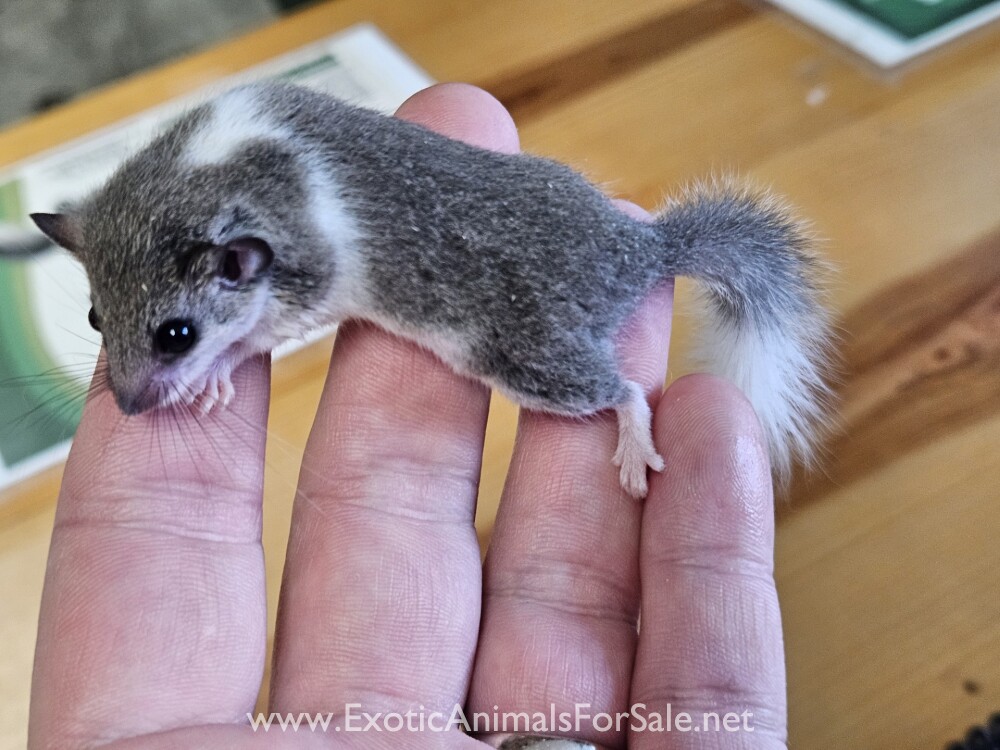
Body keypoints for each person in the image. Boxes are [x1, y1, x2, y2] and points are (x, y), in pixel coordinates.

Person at [27, 83, 787, 749]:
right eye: (106, 323)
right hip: (548, 202)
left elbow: (318, 287)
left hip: (518, 284)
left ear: (239, 266)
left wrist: (216, 353)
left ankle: (616, 398)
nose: (130, 392)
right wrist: (205, 351)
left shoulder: (280, 244)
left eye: (172, 340)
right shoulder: (202, 185)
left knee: (509, 356)